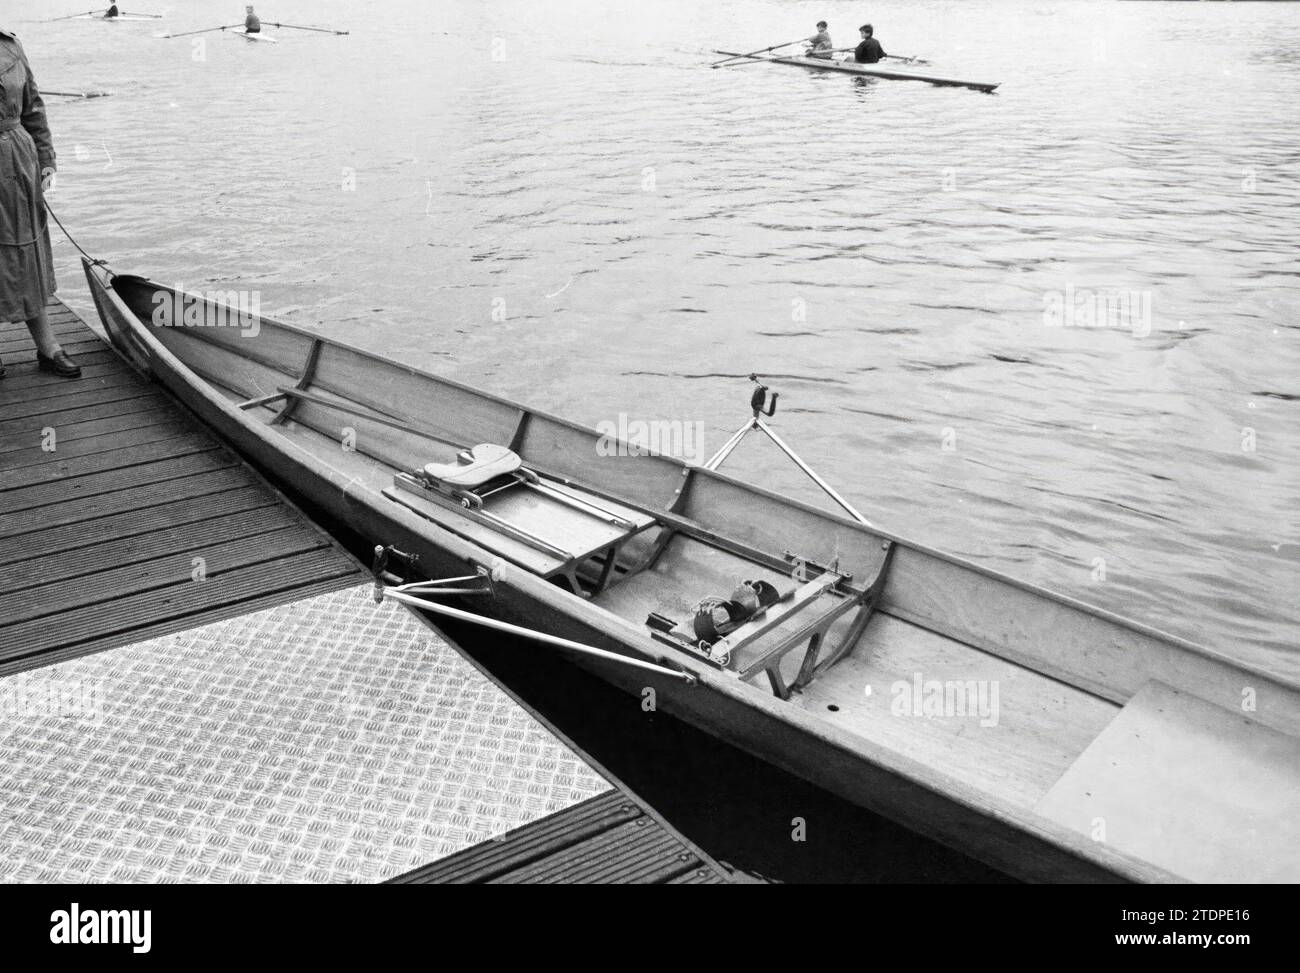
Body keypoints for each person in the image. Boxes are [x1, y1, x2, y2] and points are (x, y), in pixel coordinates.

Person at [0, 29, 80, 379]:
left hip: (18, 159)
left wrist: (46, 159)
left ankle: (48, 348)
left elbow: (32, 106)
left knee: (27, 252)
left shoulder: (10, 44)